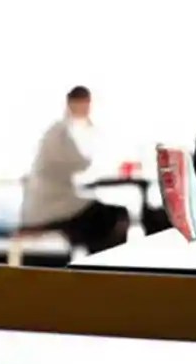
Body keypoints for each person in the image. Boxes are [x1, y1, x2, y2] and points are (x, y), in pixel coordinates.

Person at [21, 86, 129, 254]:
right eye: (86, 103)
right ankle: (102, 265)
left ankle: (97, 263)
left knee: (104, 217)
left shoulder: (61, 129)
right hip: (52, 208)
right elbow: (80, 162)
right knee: (113, 217)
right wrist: (91, 130)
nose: (88, 109)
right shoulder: (60, 131)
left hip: (53, 203)